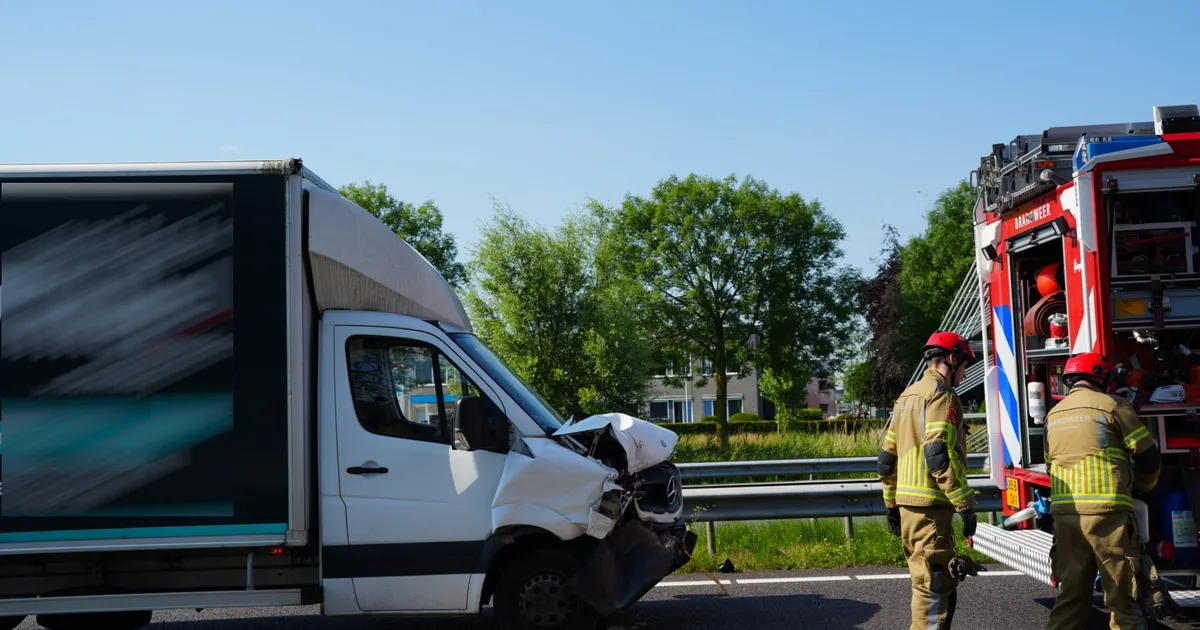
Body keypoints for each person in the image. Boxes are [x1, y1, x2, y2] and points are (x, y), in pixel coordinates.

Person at [1045, 352, 1161, 630]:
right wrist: (1145, 488)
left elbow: (1050, 464)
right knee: (1123, 600)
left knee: (1071, 598)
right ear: (1101, 377)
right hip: (1107, 516)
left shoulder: (1053, 414)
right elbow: (1148, 456)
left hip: (1066, 515)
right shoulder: (1113, 406)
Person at [878, 331, 979, 629]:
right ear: (951, 359)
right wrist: (964, 504)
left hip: (909, 510)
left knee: (930, 588)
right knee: (934, 596)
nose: (965, 372)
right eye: (964, 365)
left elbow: (886, 460)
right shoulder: (941, 396)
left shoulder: (906, 397)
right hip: (931, 512)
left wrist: (891, 505)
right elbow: (938, 455)